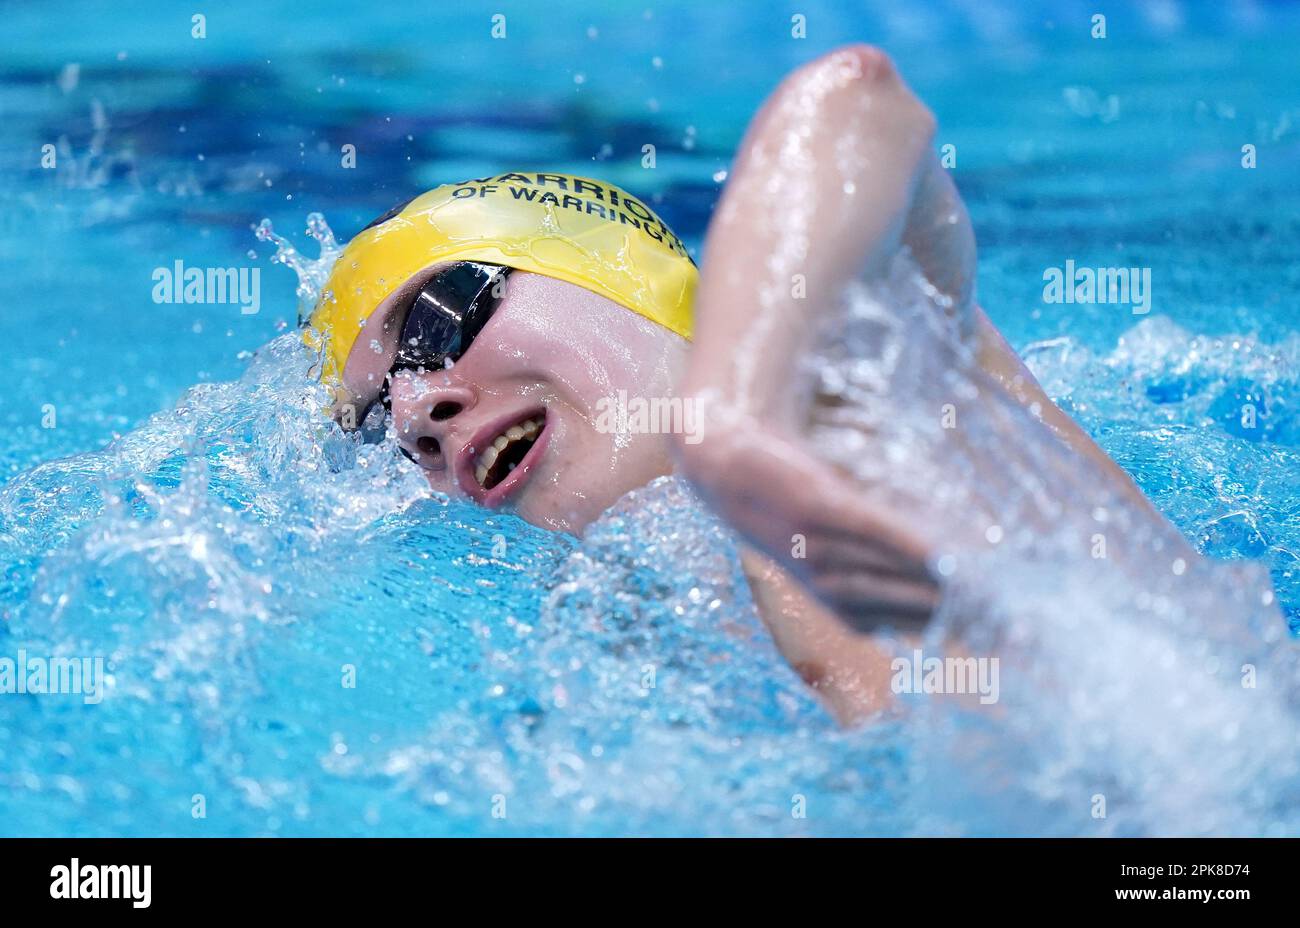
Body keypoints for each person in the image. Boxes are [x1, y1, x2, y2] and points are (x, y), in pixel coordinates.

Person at [304, 45, 1222, 724]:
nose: (419, 410)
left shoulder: (864, 372)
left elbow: (857, 103)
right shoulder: (611, 667)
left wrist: (743, 412)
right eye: (380, 417)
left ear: (614, 274)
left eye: (436, 321)